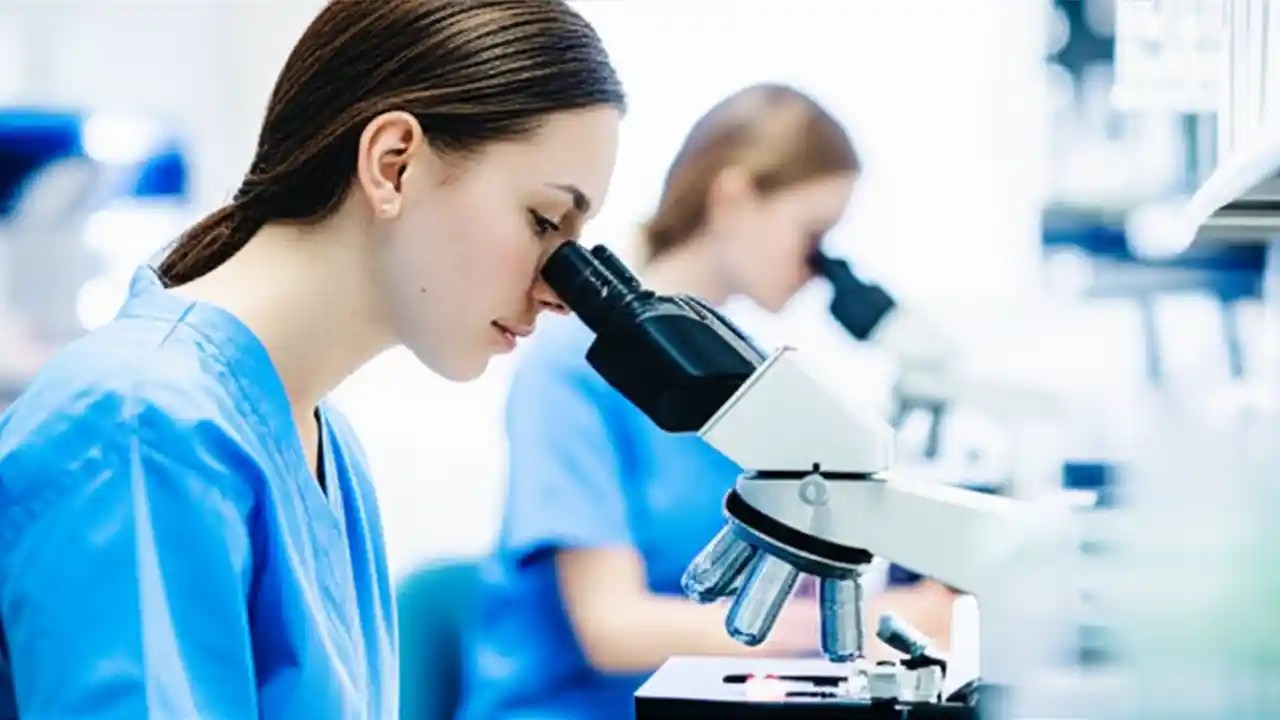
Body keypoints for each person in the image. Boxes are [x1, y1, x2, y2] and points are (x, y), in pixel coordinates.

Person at [0, 1, 624, 718]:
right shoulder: (138, 428)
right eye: (544, 221)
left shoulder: (322, 443)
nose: (562, 295)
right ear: (394, 164)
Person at [457, 83, 864, 720]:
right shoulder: (575, 369)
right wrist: (862, 627)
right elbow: (613, 630)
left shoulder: (750, 374)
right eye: (812, 234)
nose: (820, 269)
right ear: (733, 198)